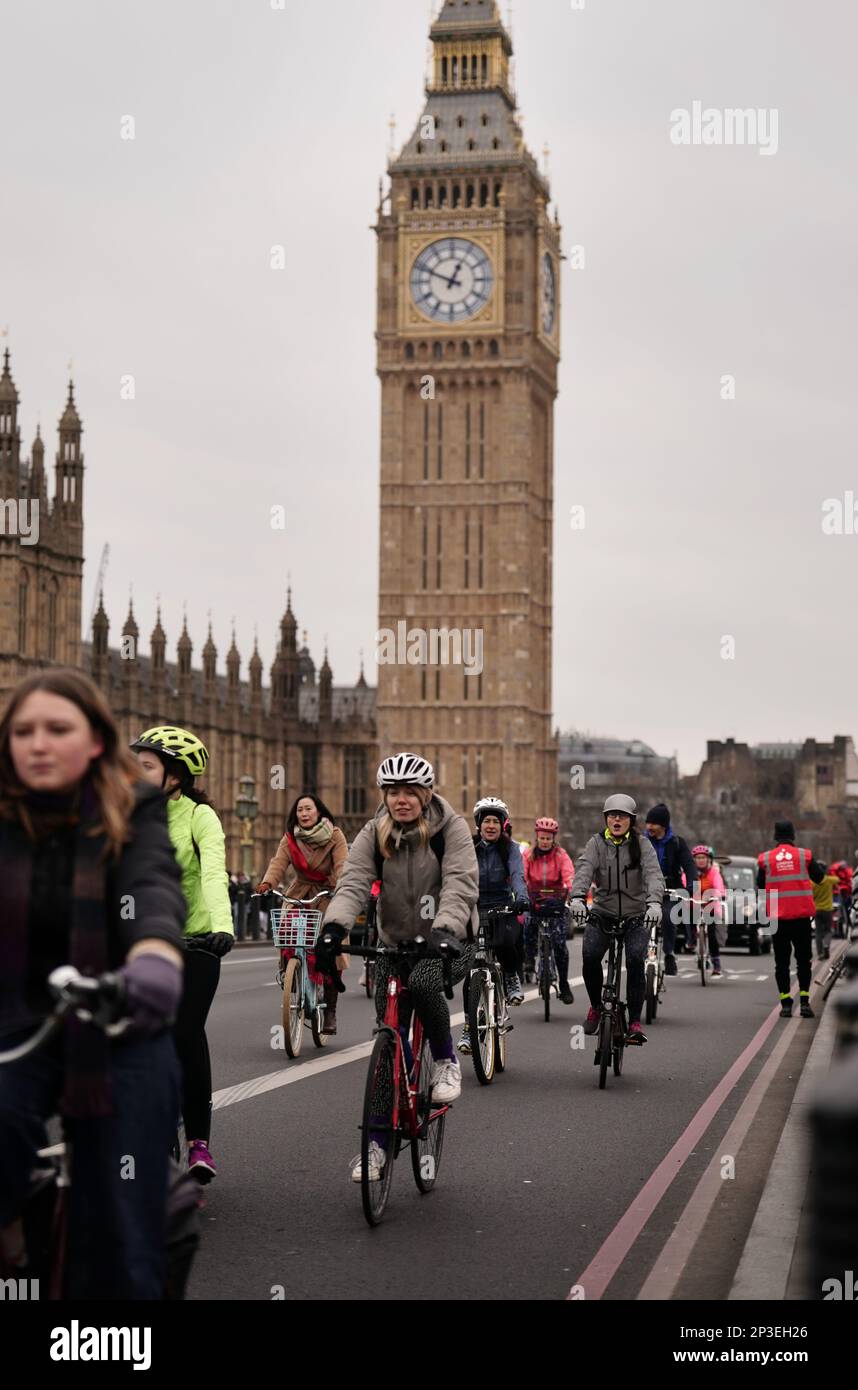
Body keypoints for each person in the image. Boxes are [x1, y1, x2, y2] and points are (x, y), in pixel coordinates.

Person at [0, 671, 185, 1298]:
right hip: (17, 1018)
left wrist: (154, 962)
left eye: (57, 730)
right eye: (23, 731)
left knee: (123, 1231)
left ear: (97, 742)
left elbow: (152, 888)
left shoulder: (132, 806)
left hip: (114, 1017)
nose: (38, 744)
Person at [316, 752, 478, 1181]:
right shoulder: (374, 831)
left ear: (426, 794)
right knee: (387, 1037)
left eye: (410, 792)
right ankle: (374, 1147)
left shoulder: (451, 829)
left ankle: (445, 1059)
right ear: (384, 795)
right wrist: (334, 926)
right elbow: (352, 882)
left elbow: (461, 883)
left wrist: (446, 928)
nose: (401, 800)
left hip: (448, 941)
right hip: (394, 944)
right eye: (393, 792)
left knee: (424, 985)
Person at [131, 726, 233, 1182]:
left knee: (186, 1033)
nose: (134, 770)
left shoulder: (199, 818)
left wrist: (222, 927)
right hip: (136, 942)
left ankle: (198, 1143)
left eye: (146, 765)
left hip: (194, 939)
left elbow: (213, 873)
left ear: (174, 777)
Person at [569, 794, 664, 1045]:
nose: (616, 819)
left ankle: (634, 1020)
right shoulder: (596, 844)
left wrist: (654, 903)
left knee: (634, 959)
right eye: (612, 815)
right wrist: (578, 898)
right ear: (606, 819)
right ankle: (596, 1006)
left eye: (622, 816)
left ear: (631, 820)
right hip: (603, 912)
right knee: (589, 956)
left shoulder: (643, 845)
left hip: (636, 914)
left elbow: (654, 875)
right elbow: (584, 870)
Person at [256, 794, 348, 1034]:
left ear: (319, 812)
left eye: (308, 809)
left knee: (332, 945)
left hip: (327, 893)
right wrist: (267, 883)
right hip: (300, 890)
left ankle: (330, 1011)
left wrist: (341, 886)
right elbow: (278, 863)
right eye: (300, 810)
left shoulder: (335, 835)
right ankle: (292, 974)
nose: (304, 814)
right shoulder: (290, 839)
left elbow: (341, 864)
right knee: (287, 930)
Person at [458, 797, 529, 1056]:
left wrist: (521, 898)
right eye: (486, 821)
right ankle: (468, 1026)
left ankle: (511, 978)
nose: (491, 825)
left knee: (506, 941)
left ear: (502, 825)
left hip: (502, 906)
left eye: (495, 821)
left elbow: (518, 875)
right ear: (478, 825)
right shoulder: (468, 847)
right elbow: (456, 874)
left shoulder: (510, 849)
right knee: (470, 969)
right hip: (474, 907)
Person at [756, 820, 826, 1019]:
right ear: (793, 835)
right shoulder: (805, 856)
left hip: (778, 919)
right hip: (801, 917)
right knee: (804, 961)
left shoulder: (766, 859)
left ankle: (786, 1004)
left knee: (782, 962)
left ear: (775, 836)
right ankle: (804, 1002)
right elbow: (820, 878)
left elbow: (760, 885)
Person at [522, 817, 575, 1004]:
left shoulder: (561, 855)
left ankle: (564, 983)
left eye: (548, 838)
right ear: (537, 838)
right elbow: (522, 876)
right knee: (528, 925)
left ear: (553, 839)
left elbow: (569, 875)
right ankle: (529, 959)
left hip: (555, 901)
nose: (545, 842)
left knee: (560, 944)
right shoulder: (528, 855)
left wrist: (570, 892)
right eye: (542, 838)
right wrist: (522, 894)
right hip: (535, 900)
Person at [644, 804, 698, 976]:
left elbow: (689, 865)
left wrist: (691, 884)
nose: (649, 827)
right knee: (641, 921)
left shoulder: (677, 843)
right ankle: (641, 953)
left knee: (668, 918)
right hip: (646, 889)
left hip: (671, 889)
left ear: (664, 826)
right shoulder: (641, 842)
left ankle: (669, 954)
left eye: (653, 824)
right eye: (647, 823)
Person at [691, 845, 726, 977]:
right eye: (698, 858)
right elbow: (684, 883)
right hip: (694, 905)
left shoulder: (714, 872)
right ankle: (694, 946)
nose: (700, 860)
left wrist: (720, 894)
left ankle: (716, 965)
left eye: (703, 858)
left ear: (709, 859)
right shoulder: (690, 871)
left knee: (712, 934)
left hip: (710, 905)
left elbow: (719, 886)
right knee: (687, 923)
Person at [812, 864, 839, 961]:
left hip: (817, 910)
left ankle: (820, 953)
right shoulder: (829, 880)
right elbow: (837, 879)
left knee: (818, 932)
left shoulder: (812, 883)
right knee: (828, 930)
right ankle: (826, 944)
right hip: (827, 910)